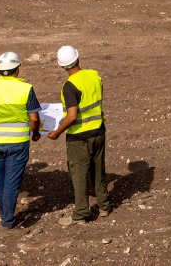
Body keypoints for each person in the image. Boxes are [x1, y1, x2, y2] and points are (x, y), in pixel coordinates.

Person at [0, 52, 41, 234]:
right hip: (18, 143)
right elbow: (35, 118)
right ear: (17, 69)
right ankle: (7, 222)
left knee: (1, 181)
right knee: (11, 183)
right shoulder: (26, 89)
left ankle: (5, 215)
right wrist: (35, 133)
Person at [47, 46, 108, 226]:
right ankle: (104, 206)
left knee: (79, 176)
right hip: (98, 131)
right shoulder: (94, 75)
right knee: (98, 170)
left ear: (61, 66)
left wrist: (57, 132)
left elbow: (72, 116)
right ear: (78, 59)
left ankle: (80, 214)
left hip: (79, 137)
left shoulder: (69, 86)